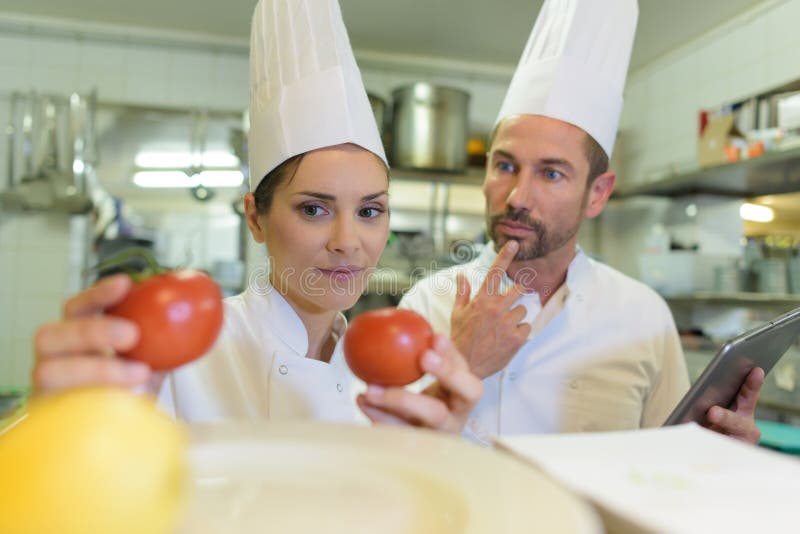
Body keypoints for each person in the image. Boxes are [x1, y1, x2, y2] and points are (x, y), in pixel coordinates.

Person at [31, 0, 481, 435]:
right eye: (313, 209)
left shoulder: (394, 372)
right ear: (255, 218)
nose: (348, 241)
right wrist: (67, 428)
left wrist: (438, 451)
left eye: (369, 210)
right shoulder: (184, 352)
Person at [399, 0, 763, 444]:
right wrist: (462, 362)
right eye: (505, 166)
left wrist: (717, 454)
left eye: (551, 173)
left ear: (597, 193)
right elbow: (387, 463)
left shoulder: (642, 317)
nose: (517, 197)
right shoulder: (425, 305)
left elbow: (668, 468)